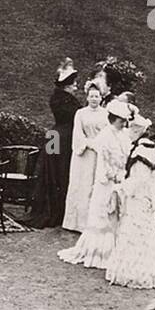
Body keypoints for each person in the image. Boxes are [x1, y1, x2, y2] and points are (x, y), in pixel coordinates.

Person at [106, 119, 155, 291]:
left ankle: (135, 272)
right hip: (147, 197)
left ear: (137, 131)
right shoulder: (152, 149)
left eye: (131, 130)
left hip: (137, 197)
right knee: (147, 233)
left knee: (134, 231)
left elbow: (138, 180)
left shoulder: (140, 151)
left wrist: (119, 187)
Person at [59, 98, 132, 269]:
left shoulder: (123, 135)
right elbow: (105, 163)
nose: (124, 124)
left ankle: (115, 249)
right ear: (114, 119)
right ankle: (100, 252)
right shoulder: (105, 136)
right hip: (106, 182)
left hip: (119, 180)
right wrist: (114, 176)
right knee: (103, 214)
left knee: (117, 215)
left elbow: (125, 156)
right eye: (121, 121)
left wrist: (123, 175)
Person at [25, 58, 81, 229]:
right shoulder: (66, 100)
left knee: (50, 170)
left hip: (53, 135)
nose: (76, 87)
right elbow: (74, 117)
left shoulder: (58, 97)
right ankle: (55, 210)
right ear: (67, 85)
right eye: (74, 84)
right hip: (61, 138)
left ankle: (50, 208)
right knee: (59, 171)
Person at [62, 82, 108, 232]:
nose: (94, 99)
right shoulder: (80, 113)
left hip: (98, 153)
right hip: (83, 154)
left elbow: (108, 134)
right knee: (81, 185)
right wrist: (88, 143)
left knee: (95, 186)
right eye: (91, 96)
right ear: (87, 97)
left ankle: (92, 223)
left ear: (101, 98)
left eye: (97, 96)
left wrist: (98, 144)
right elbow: (77, 134)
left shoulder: (106, 114)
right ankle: (76, 223)